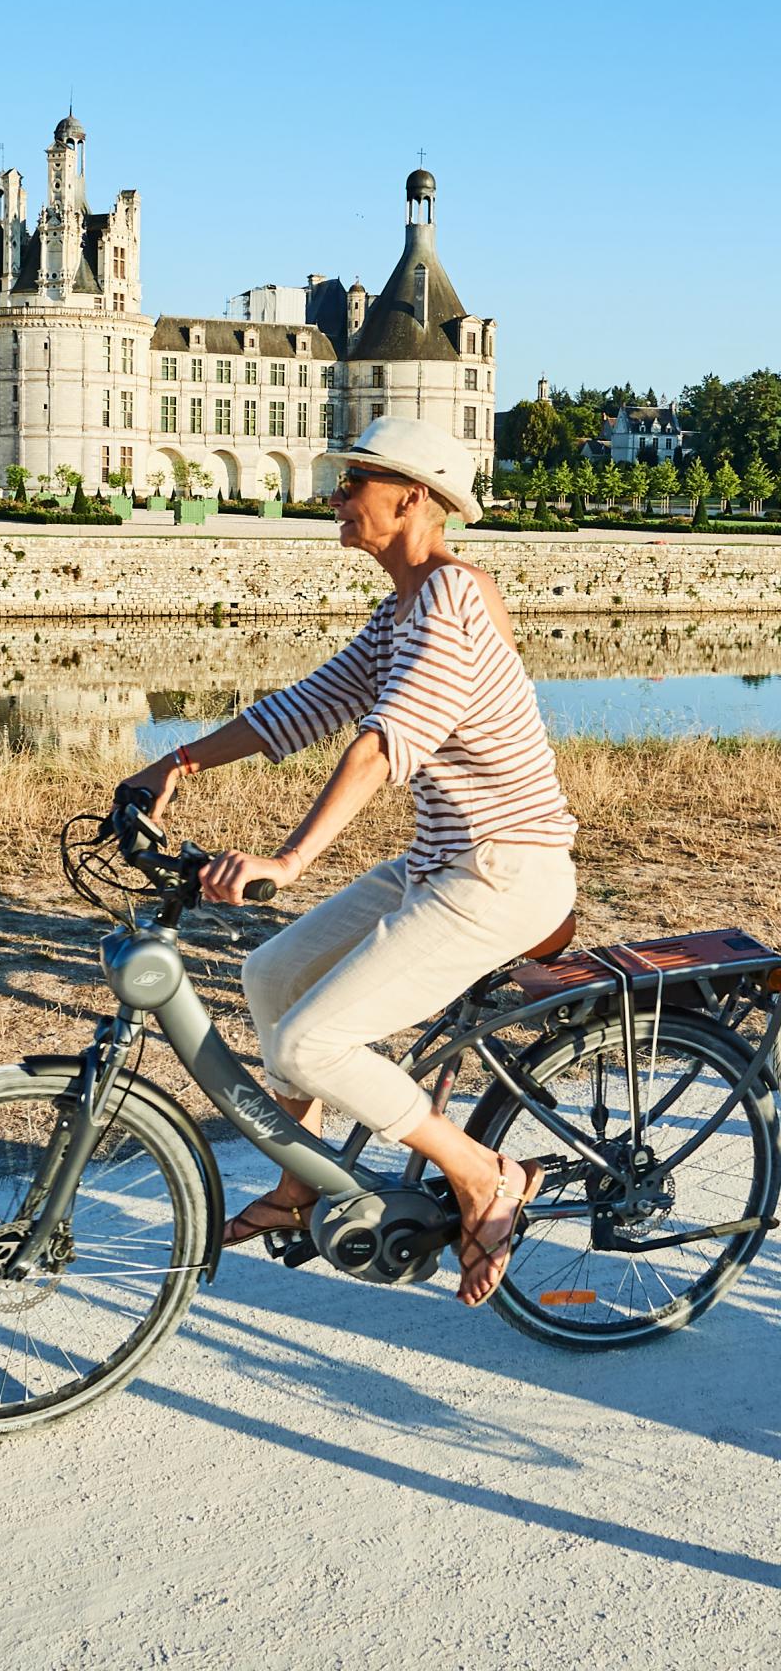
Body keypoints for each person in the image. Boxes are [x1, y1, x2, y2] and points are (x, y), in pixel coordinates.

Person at [120, 417, 577, 1307]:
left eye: (352, 482)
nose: (334, 496)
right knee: (272, 975)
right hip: (440, 865)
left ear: (412, 496)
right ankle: (302, 1184)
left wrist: (290, 860)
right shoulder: (400, 607)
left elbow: (381, 744)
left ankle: (486, 1176)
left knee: (310, 1041)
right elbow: (309, 706)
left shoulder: (452, 599)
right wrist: (172, 764)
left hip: (504, 871)